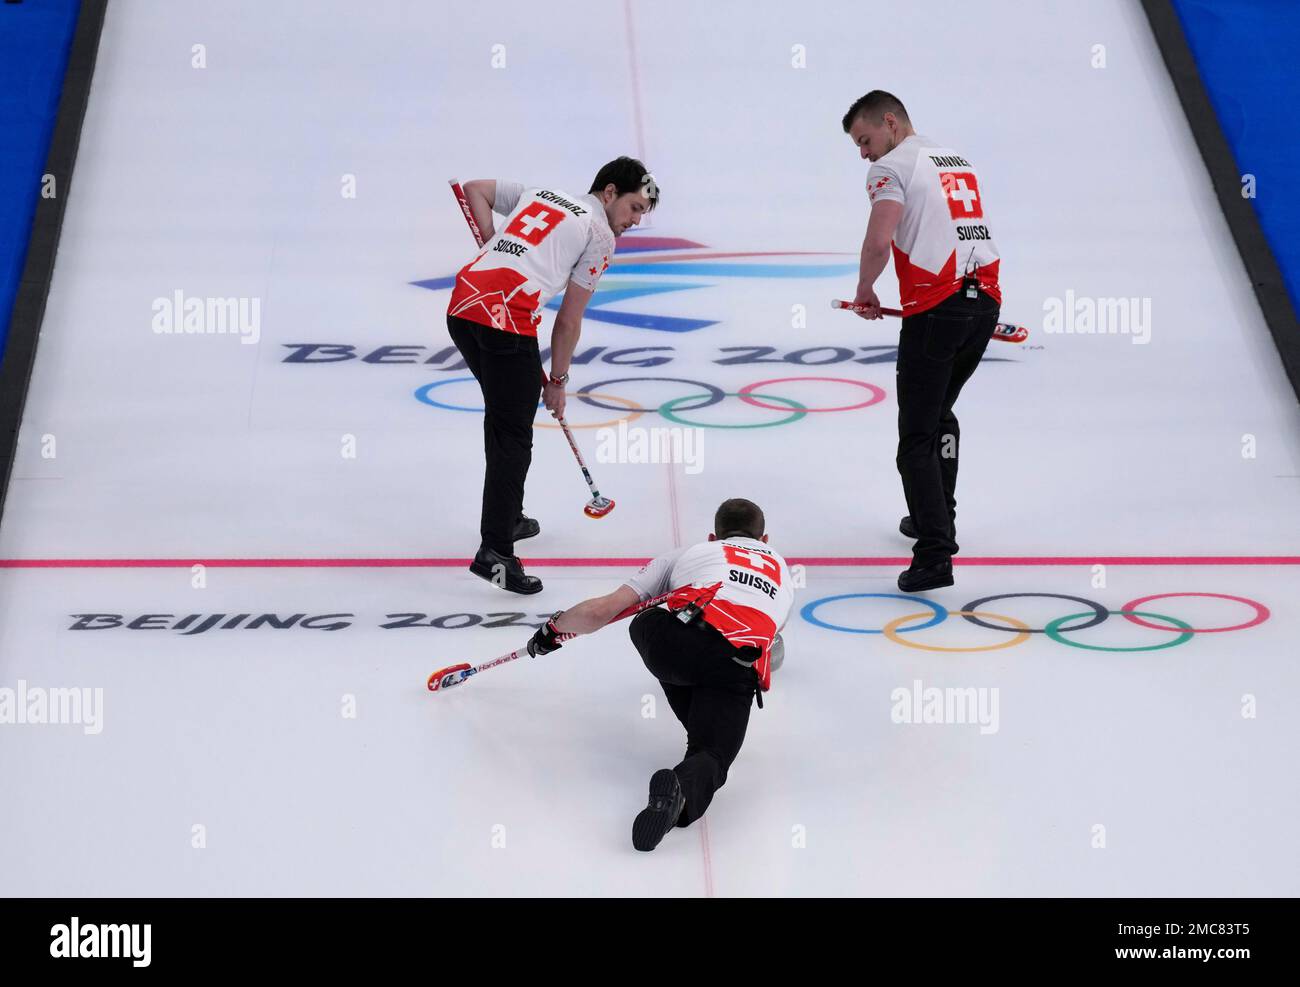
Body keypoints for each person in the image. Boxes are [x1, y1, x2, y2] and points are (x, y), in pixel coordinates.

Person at [526, 497, 793, 851]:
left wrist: (552, 631)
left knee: (654, 627)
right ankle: (682, 795)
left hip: (670, 643)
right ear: (765, 540)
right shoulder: (783, 575)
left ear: (714, 538)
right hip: (736, 664)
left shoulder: (689, 553)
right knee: (713, 756)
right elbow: (773, 651)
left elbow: (603, 611)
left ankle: (675, 790)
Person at [447, 158, 658, 594]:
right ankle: (496, 553)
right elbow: (568, 322)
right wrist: (558, 383)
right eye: (635, 208)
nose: (635, 221)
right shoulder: (599, 234)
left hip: (465, 306)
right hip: (504, 321)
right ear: (610, 192)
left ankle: (508, 517)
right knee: (512, 436)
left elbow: (475, 188)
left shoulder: (540, 193)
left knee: (504, 421)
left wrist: (492, 247)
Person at [842, 91, 1002, 592]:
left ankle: (934, 552)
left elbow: (878, 238)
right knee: (941, 414)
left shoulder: (891, 168)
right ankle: (937, 517)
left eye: (865, 140)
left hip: (937, 309)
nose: (865, 154)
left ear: (890, 122)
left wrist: (865, 288)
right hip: (985, 299)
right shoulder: (955, 157)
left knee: (915, 437)